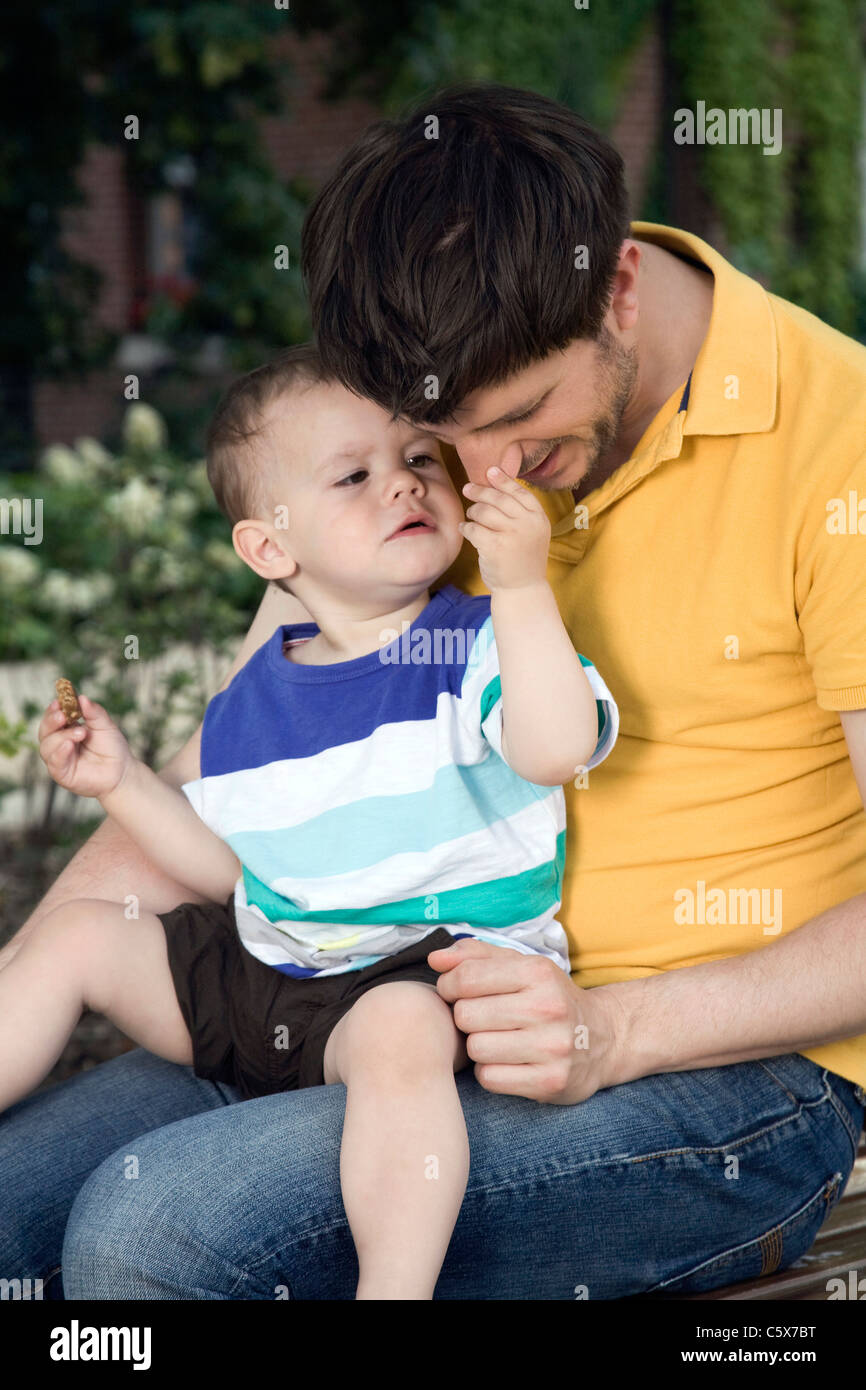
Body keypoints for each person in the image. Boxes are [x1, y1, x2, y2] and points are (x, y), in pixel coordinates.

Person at [2, 82, 865, 1301]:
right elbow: (248, 762)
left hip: (726, 1074)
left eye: (518, 422)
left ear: (614, 287)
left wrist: (611, 1030)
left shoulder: (844, 453)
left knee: (156, 1238)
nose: (476, 476)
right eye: (438, 436)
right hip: (362, 983)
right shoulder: (416, 465)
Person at [0, 345, 617, 1300]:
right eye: (354, 475)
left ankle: (394, 1292)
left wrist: (526, 589)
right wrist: (123, 784)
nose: (404, 486)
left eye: (419, 459)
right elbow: (230, 869)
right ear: (270, 550)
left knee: (403, 1036)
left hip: (420, 970)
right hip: (275, 974)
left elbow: (554, 750)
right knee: (82, 935)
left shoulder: (474, 639)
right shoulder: (260, 692)